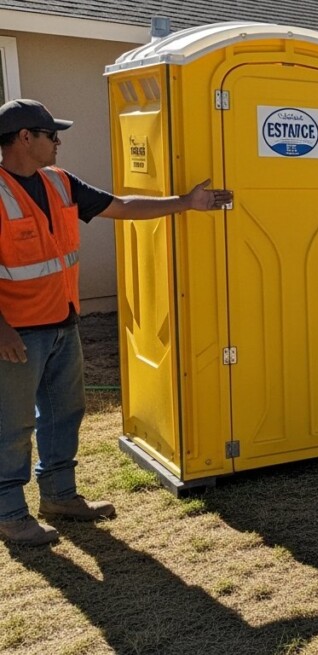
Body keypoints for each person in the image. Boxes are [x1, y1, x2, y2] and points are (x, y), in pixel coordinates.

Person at [0, 99, 232, 547]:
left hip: (63, 322)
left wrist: (186, 203)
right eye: (52, 135)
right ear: (25, 138)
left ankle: (59, 496)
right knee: (12, 425)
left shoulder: (59, 182)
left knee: (64, 413)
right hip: (17, 334)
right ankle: (10, 514)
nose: (58, 143)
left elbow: (120, 205)